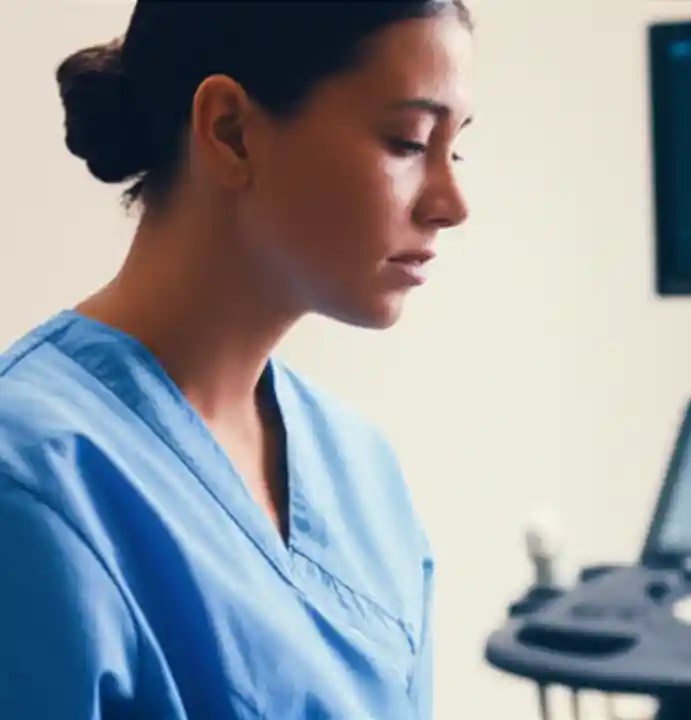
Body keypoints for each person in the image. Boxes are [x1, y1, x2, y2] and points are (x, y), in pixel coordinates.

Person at [0, 1, 472, 718]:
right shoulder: (33, 482)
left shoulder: (362, 472)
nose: (451, 202)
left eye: (456, 148)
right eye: (407, 141)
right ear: (231, 132)